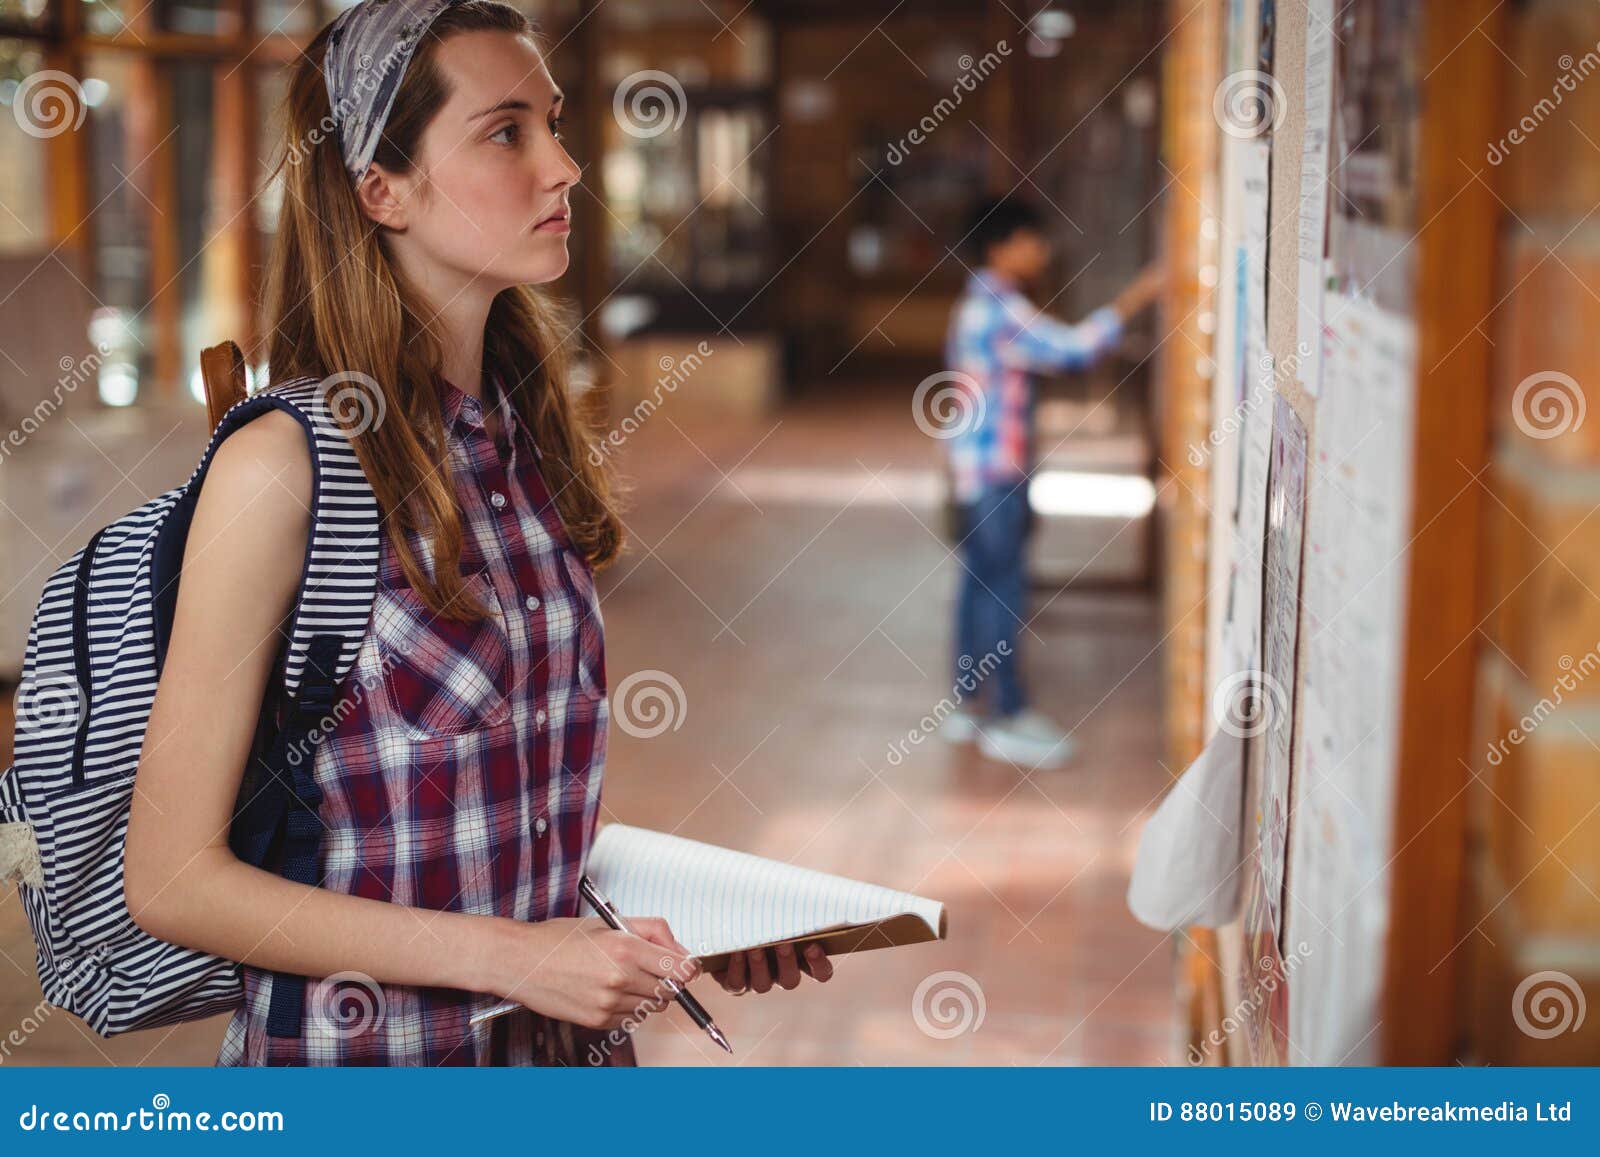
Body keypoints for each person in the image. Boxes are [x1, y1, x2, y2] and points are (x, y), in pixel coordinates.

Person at [123, 0, 830, 1067]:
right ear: (381, 188)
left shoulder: (525, 436)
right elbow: (172, 877)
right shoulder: (282, 469)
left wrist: (679, 927)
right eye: (507, 131)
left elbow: (500, 823)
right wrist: (515, 957)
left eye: (552, 122)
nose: (564, 167)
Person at [939, 195, 1163, 769]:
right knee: (1003, 589)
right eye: (1030, 240)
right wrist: (1141, 294)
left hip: (972, 471)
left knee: (978, 584)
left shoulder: (974, 305)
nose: (1041, 251)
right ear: (1000, 247)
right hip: (996, 475)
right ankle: (1008, 715)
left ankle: (970, 708)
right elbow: (1073, 350)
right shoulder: (999, 308)